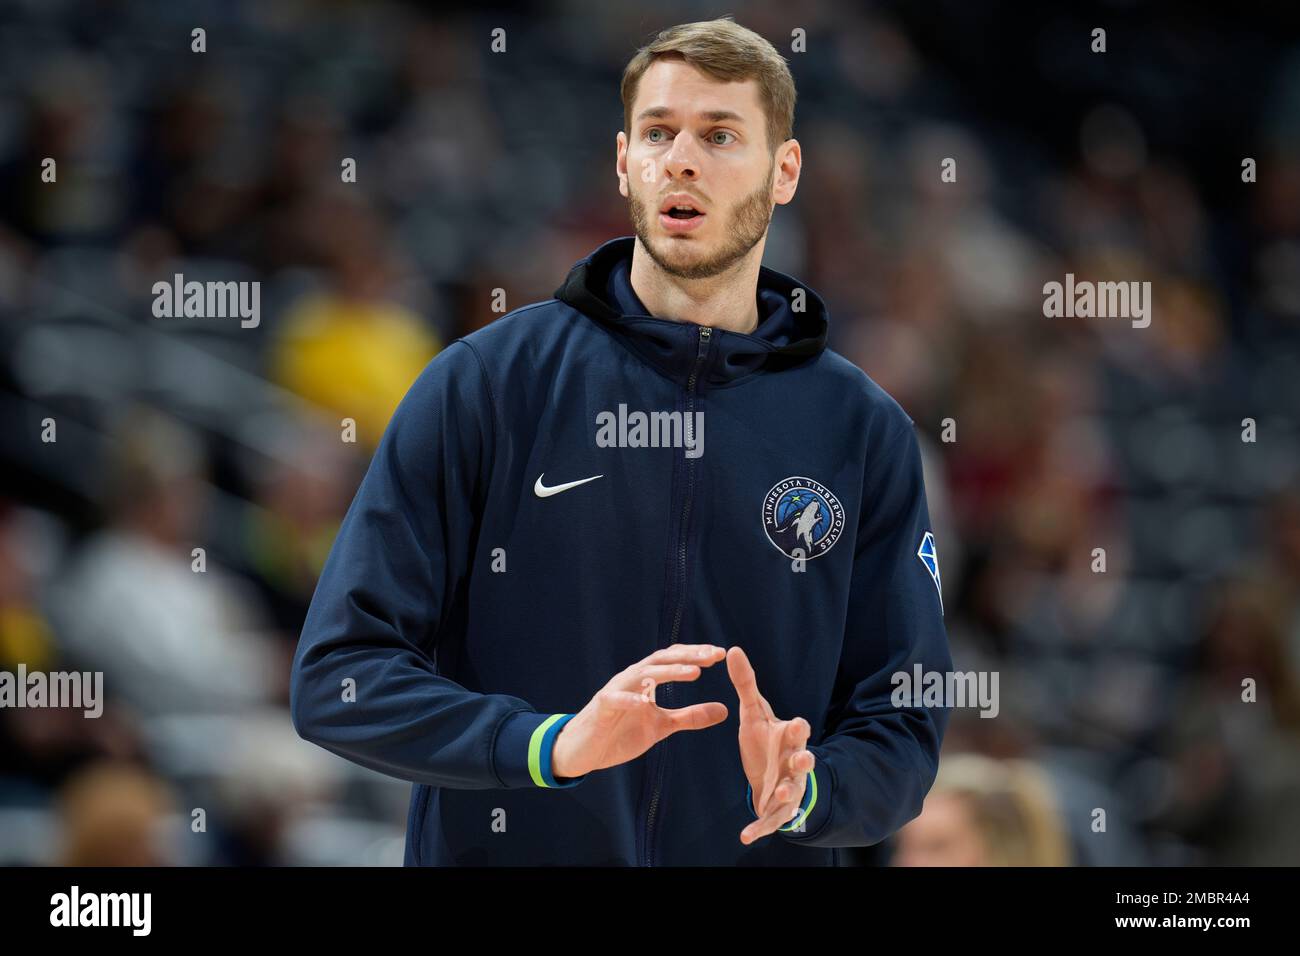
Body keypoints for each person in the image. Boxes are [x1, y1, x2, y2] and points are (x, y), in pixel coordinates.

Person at [291, 16, 952, 866]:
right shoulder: (487, 385)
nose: (682, 158)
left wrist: (811, 788)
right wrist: (549, 746)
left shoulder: (863, 433)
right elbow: (338, 677)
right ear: (622, 161)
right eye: (659, 132)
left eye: (719, 135)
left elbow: (901, 721)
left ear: (784, 171)